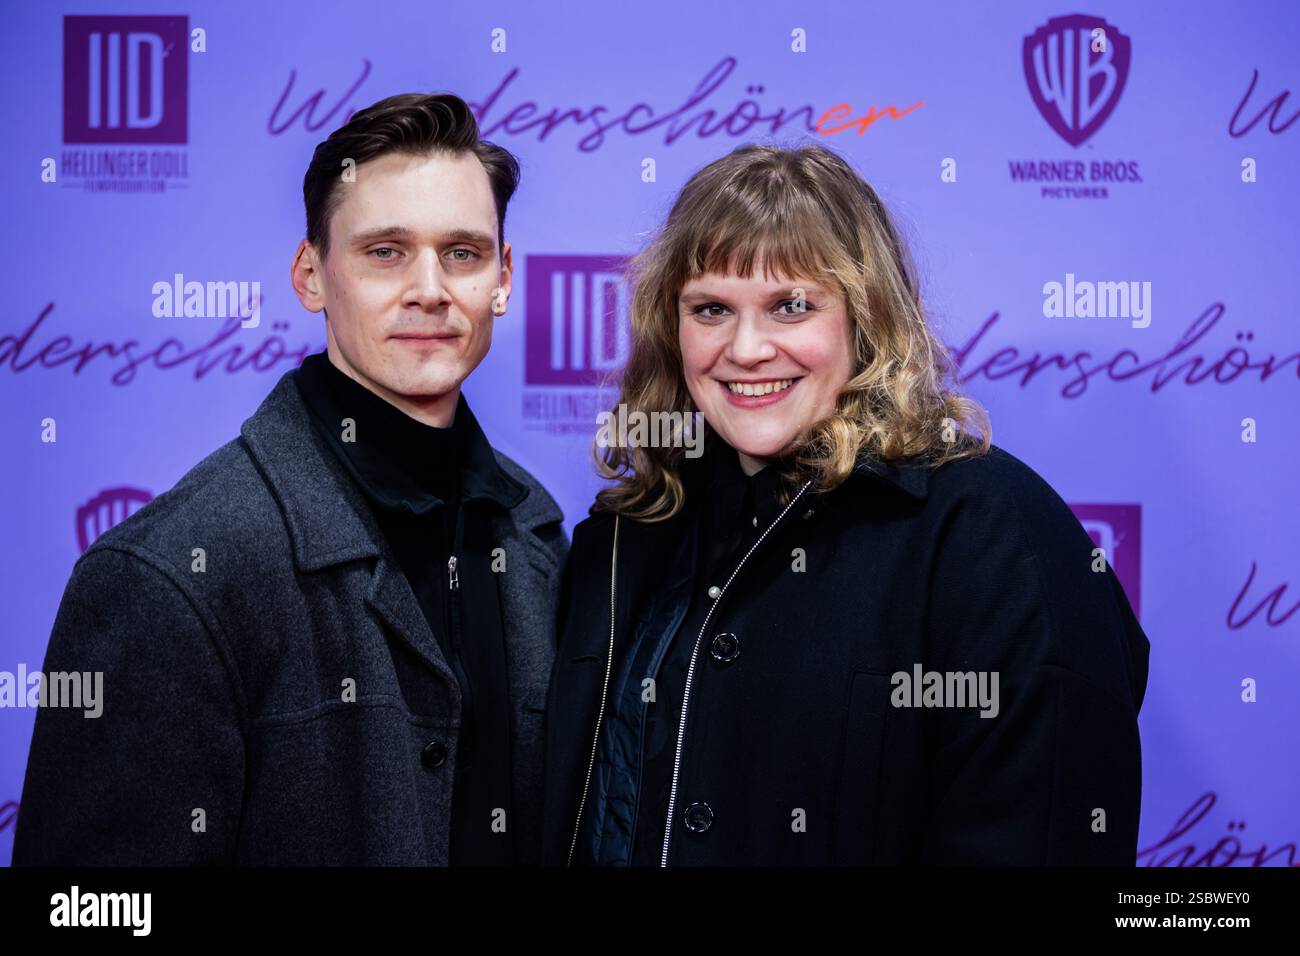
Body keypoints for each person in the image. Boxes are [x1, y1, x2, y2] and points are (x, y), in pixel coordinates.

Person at [541, 142, 1149, 866]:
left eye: (790, 306)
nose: (746, 348)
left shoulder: (992, 532)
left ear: (865, 319)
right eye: (710, 309)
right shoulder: (623, 540)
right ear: (671, 332)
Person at [13, 93, 567, 866]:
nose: (431, 289)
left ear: (503, 278)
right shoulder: (176, 570)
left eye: (463, 254)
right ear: (312, 275)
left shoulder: (539, 533)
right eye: (385, 252)